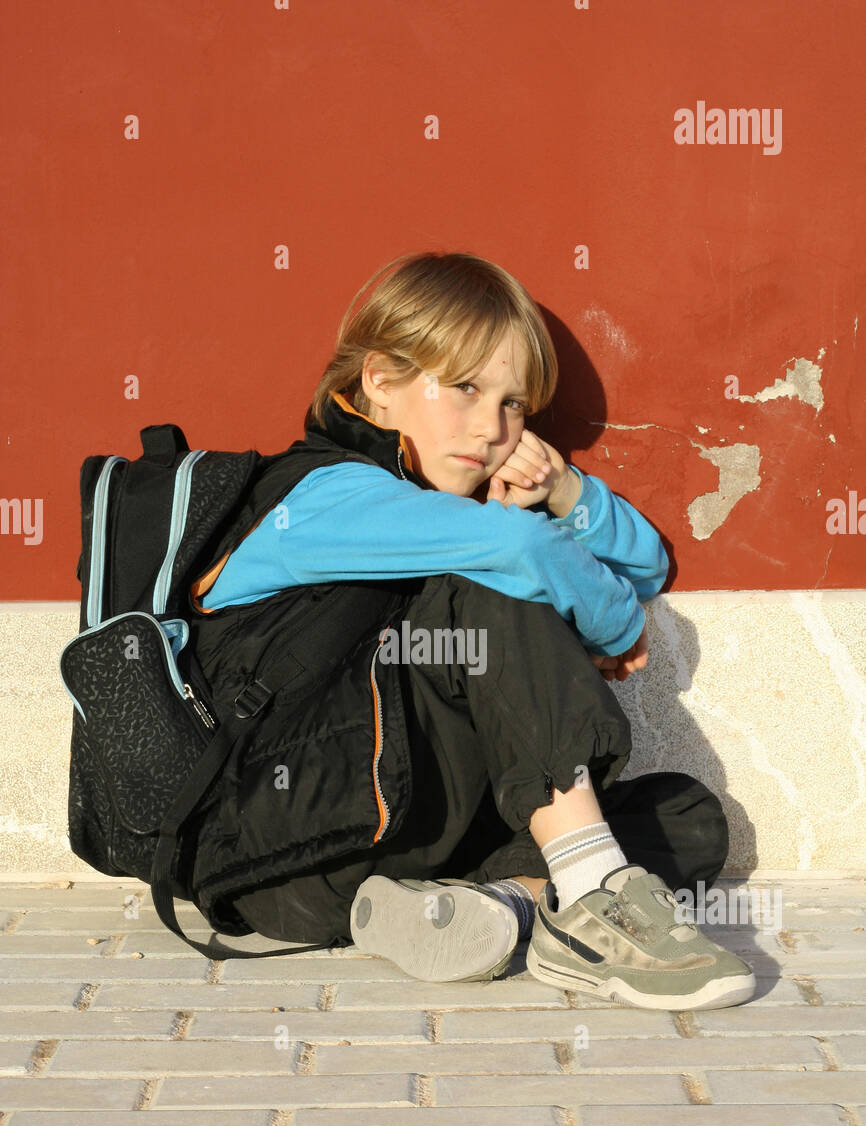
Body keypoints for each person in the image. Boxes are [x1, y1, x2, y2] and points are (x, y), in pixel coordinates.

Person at [197, 250, 755, 1010]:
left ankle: (504, 907)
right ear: (380, 383)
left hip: (399, 853)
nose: (492, 428)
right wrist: (616, 626)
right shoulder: (325, 492)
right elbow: (522, 554)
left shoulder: (446, 516)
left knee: (687, 819)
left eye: (515, 404)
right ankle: (589, 905)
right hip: (282, 857)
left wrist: (564, 490)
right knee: (494, 588)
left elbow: (646, 566)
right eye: (464, 388)